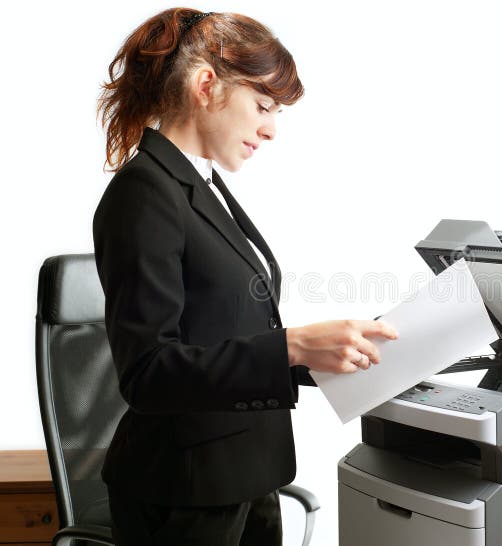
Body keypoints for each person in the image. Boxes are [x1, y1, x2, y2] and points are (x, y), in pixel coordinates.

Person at [92, 8, 399, 545]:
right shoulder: (145, 193)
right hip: (184, 491)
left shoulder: (201, 186)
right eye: (262, 106)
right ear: (206, 85)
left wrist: (326, 355)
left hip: (245, 476)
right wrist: (292, 347)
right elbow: (148, 372)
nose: (271, 129)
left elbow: (223, 335)